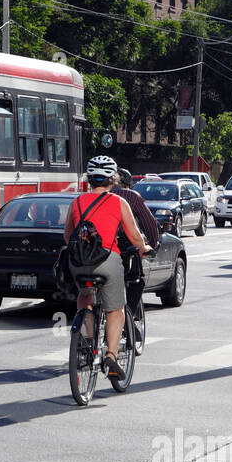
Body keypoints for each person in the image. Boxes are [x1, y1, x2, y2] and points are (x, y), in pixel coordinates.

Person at [64, 156, 151, 380]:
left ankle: (86, 345)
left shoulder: (77, 202)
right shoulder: (118, 202)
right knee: (116, 309)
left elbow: (67, 236)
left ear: (89, 178)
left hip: (78, 263)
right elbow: (133, 236)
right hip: (106, 260)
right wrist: (144, 247)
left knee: (85, 297)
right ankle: (111, 356)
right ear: (113, 179)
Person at [111, 167, 159, 346]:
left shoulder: (92, 196)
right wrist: (153, 245)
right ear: (128, 184)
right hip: (125, 249)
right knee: (136, 281)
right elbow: (149, 223)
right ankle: (127, 320)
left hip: (95, 251)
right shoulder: (130, 196)